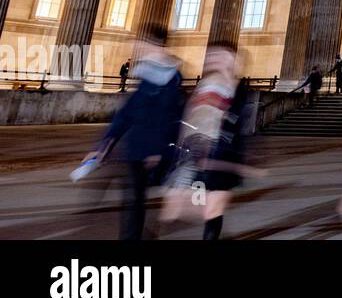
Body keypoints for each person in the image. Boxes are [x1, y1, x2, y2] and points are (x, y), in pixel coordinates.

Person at [82, 25, 184, 240]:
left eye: (140, 41)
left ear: (152, 43)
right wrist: (104, 146)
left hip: (151, 152)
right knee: (133, 202)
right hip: (136, 148)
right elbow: (128, 113)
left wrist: (157, 150)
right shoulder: (148, 72)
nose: (136, 45)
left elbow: (170, 117)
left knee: (135, 202)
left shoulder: (170, 76)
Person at [162, 42, 252, 239]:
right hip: (197, 152)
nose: (214, 59)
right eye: (212, 56)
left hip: (223, 155)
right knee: (184, 209)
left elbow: (237, 123)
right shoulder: (205, 84)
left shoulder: (239, 88)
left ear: (233, 60)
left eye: (221, 56)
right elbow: (189, 117)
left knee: (212, 210)